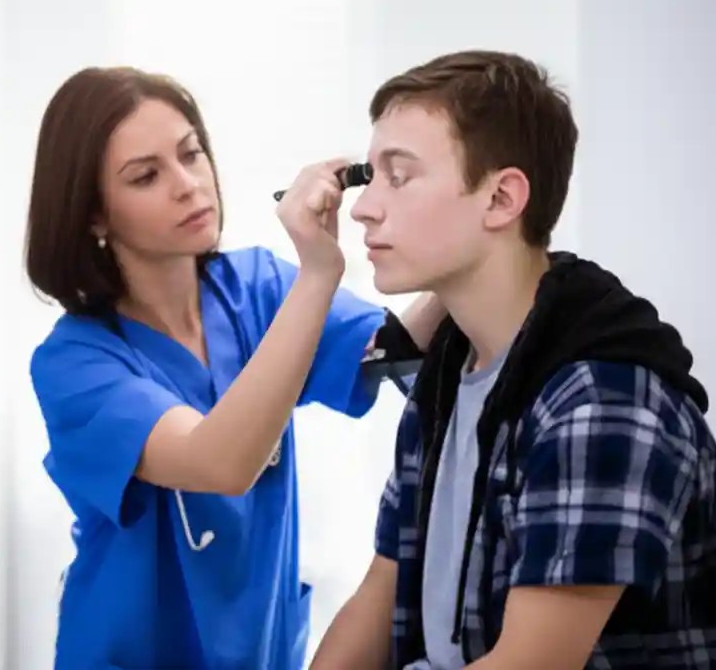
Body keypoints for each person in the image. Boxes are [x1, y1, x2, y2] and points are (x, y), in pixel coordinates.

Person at [311, 50, 716, 669]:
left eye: (399, 176)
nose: (362, 207)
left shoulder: (603, 404)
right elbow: (376, 601)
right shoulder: (446, 375)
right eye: (368, 176)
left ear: (501, 198)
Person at [24, 66, 445, 669]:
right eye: (146, 176)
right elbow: (219, 463)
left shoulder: (256, 289)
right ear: (93, 215)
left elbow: (392, 349)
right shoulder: (76, 364)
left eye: (191, 154)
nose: (188, 184)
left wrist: (464, 251)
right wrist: (320, 270)